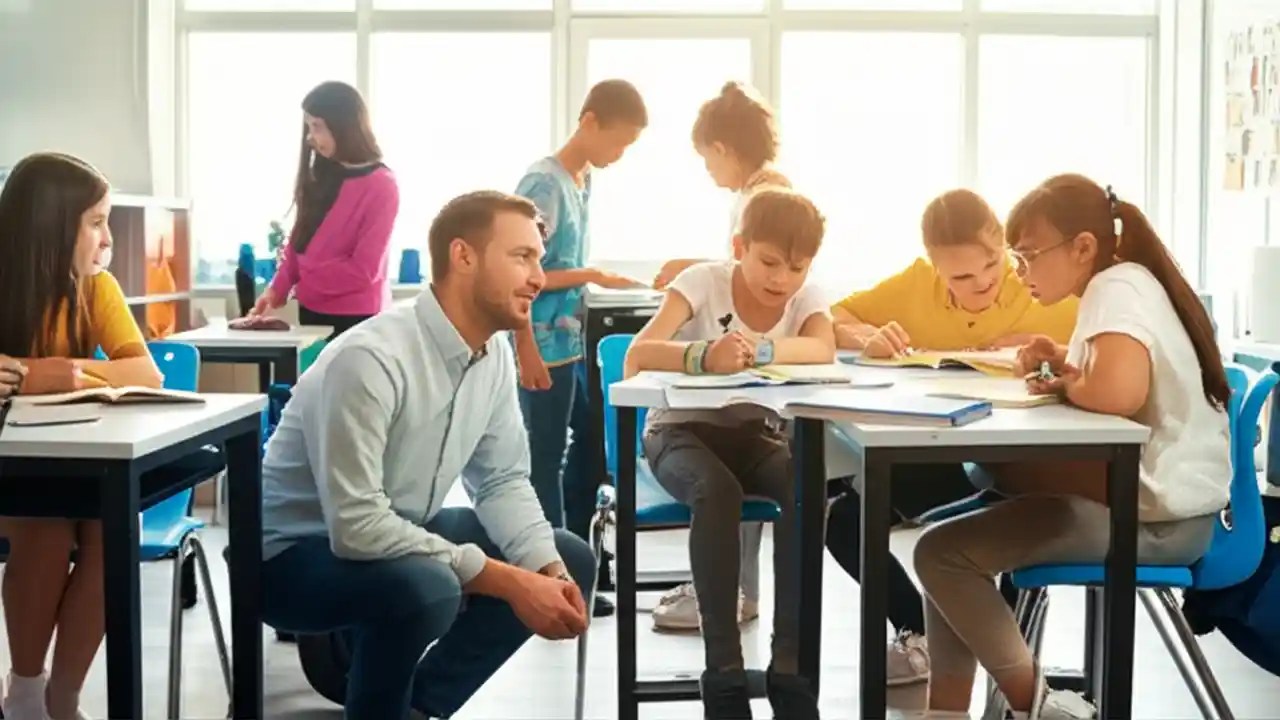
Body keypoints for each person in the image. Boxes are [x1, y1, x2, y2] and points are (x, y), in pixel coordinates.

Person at [260, 190, 595, 720]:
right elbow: (356, 527)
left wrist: (545, 572)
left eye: (539, 258)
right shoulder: (371, 357)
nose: (538, 277)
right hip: (293, 558)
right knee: (431, 585)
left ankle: (415, 708)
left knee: (567, 555)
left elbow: (503, 480)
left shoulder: (494, 354)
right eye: (522, 257)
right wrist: (509, 580)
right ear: (463, 256)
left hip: (395, 535)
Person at [913, 175, 1230, 720]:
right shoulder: (1125, 283)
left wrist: (1065, 382)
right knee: (944, 546)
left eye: (1028, 255)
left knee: (942, 554)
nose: (1019, 272)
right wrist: (1064, 362)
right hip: (1159, 506)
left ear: (1082, 247)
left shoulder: (1115, 287)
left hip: (1155, 523)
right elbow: (1120, 377)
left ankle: (1039, 708)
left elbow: (1118, 390)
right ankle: (951, 712)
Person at [823, 189, 1079, 686]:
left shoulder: (1040, 282)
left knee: (1009, 524)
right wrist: (866, 340)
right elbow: (830, 318)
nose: (982, 281)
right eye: (961, 276)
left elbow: (1105, 343)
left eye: (992, 264)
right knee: (840, 514)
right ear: (933, 266)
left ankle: (1011, 654)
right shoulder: (914, 285)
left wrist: (1053, 348)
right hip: (948, 457)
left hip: (1026, 467)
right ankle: (916, 628)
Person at [627, 188, 832, 719]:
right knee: (717, 492)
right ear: (739, 245)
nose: (780, 279)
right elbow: (637, 354)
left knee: (804, 485)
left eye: (796, 267)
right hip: (677, 434)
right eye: (767, 261)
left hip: (752, 438)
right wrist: (703, 356)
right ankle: (723, 675)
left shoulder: (806, 297)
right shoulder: (701, 282)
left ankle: (789, 668)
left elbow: (822, 348)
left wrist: (761, 349)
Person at [0, 152, 165, 720]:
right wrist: (28, 371)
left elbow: (145, 373)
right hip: (13, 476)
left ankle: (62, 698)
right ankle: (25, 691)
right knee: (45, 527)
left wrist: (56, 373)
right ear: (52, 225)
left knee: (110, 529)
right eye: (96, 222)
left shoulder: (96, 289)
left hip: (74, 459)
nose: (107, 239)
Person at [650, 79, 790, 634]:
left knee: (739, 449)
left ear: (723, 148)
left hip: (747, 370)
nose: (708, 169)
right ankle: (736, 589)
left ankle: (735, 592)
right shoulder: (756, 194)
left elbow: (750, 276)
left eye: (706, 157)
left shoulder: (762, 197)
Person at [512, 79, 648, 617]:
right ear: (589, 121)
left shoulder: (583, 179)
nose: (619, 155)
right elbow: (522, 270)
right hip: (541, 345)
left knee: (592, 443)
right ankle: (556, 577)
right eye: (618, 141)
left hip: (569, 342)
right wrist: (591, 276)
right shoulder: (542, 182)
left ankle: (582, 558)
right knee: (545, 460)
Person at [251, 80, 399, 340]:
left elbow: (364, 270)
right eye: (309, 127)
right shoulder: (319, 177)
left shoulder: (382, 185)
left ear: (343, 126)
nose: (310, 137)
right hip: (311, 313)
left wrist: (305, 281)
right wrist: (277, 289)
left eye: (317, 127)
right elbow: (299, 243)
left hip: (359, 320)